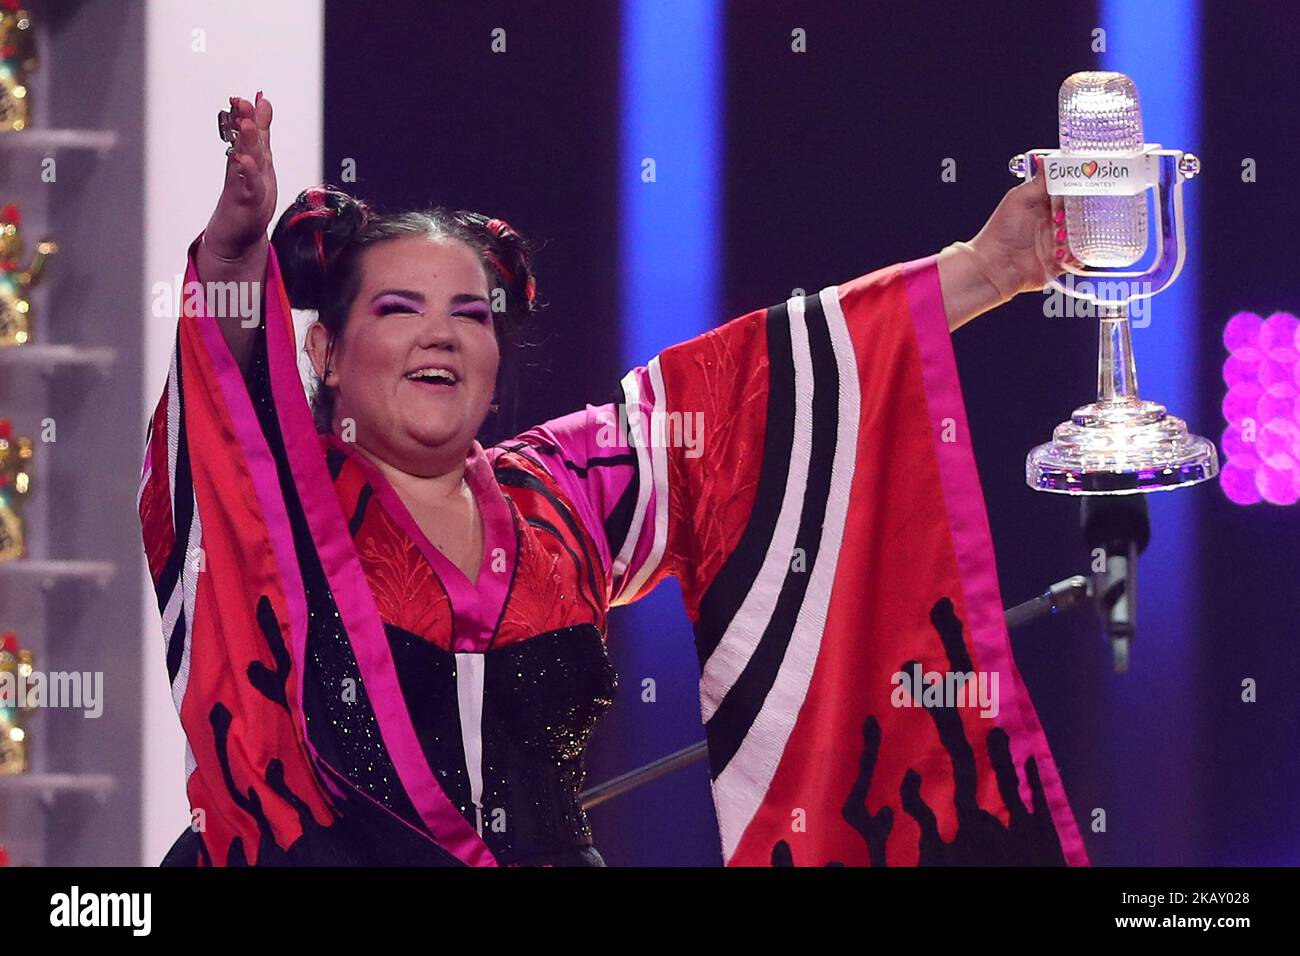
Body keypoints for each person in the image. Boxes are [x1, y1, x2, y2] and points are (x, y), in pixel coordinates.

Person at [139, 91, 1089, 866]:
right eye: (399, 309)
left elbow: (755, 390)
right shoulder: (284, 520)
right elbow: (220, 413)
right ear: (327, 352)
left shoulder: (561, 489)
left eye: (471, 313)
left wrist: (989, 271)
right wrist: (231, 254)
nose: (441, 333)